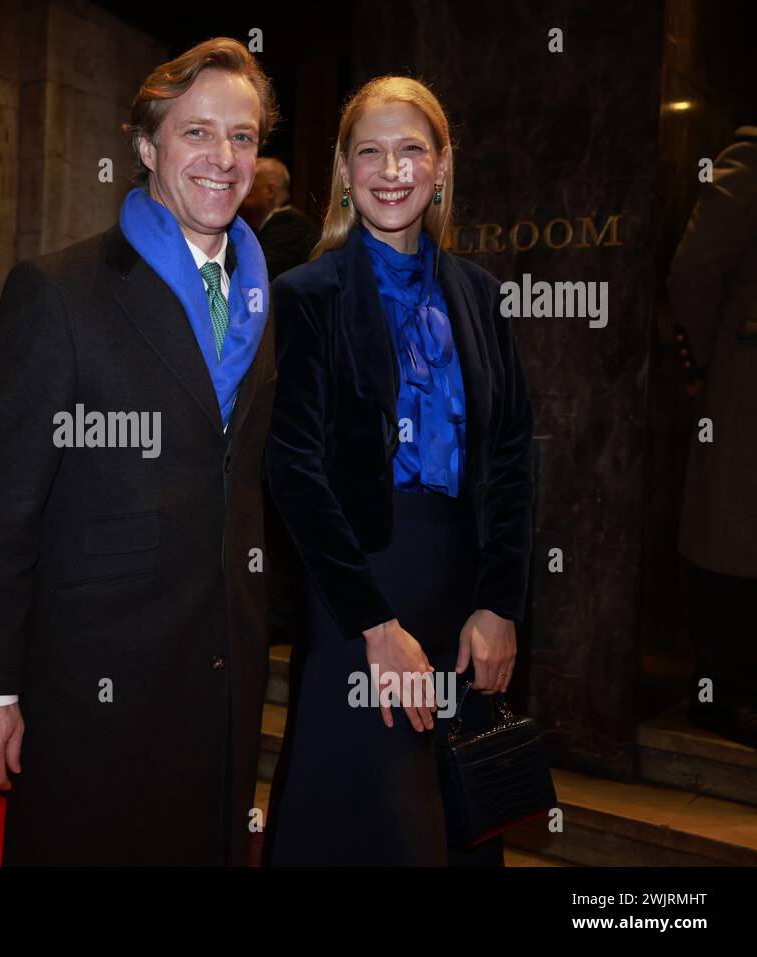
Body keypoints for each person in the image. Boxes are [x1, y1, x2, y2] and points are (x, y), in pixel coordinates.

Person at [0, 37, 279, 865]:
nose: (223, 157)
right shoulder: (59, 294)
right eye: (198, 132)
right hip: (97, 688)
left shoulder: (264, 303)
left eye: (243, 136)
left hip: (222, 678)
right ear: (145, 146)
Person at [263, 76, 536, 866]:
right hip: (357, 594)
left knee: (455, 823)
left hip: (464, 599)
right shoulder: (306, 295)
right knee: (371, 821)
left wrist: (499, 604)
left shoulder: (479, 297)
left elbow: (514, 454)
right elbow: (294, 471)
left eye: (412, 149)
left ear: (442, 165)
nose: (392, 169)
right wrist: (376, 627)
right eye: (371, 151)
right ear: (345, 172)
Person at [669, 125, 757, 749]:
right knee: (732, 533)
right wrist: (708, 359)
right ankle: (723, 694)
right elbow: (693, 270)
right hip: (744, 381)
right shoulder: (752, 154)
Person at [239, 157, 322, 280]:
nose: (241, 191)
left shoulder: (291, 227)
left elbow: (250, 274)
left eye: (249, 184)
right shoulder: (280, 225)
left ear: (270, 191)